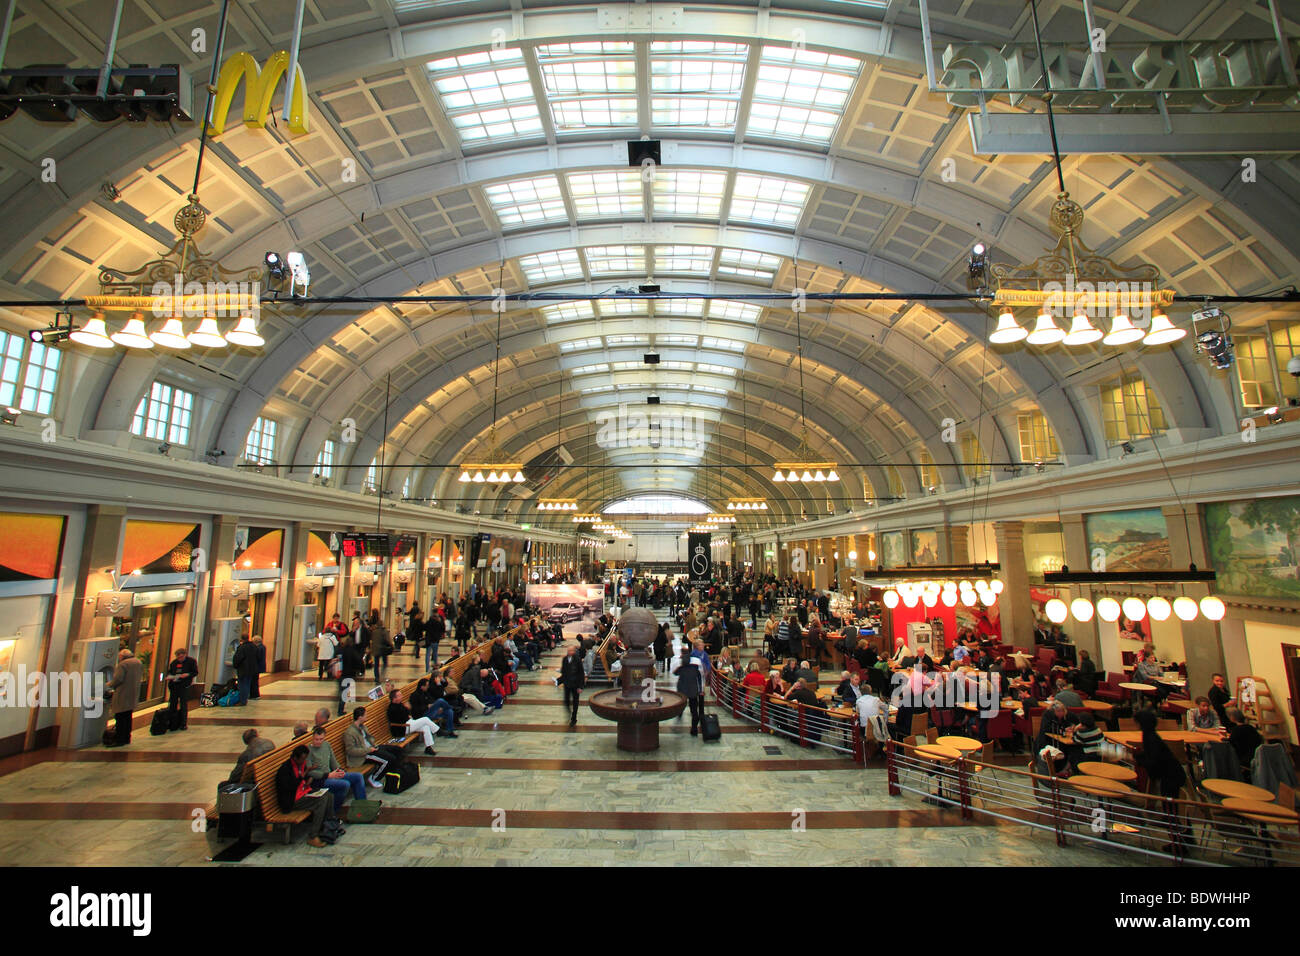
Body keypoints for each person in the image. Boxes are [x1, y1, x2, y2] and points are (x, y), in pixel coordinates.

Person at [1133, 708, 1189, 852]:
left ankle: (1179, 844)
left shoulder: (1150, 737)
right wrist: (1138, 758)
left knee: (1171, 810)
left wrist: (1137, 759)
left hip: (1170, 776)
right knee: (1172, 810)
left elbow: (1154, 761)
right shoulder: (1151, 735)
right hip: (1171, 774)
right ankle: (1183, 840)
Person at [275, 744, 338, 848]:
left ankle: (329, 826)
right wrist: (305, 775)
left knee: (329, 795)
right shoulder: (285, 770)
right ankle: (313, 835)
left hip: (304, 793)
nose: (304, 761)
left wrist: (308, 779)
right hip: (292, 800)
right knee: (321, 801)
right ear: (295, 758)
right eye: (303, 759)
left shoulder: (300, 764)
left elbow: (305, 778)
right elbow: (290, 786)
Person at [305, 726, 367, 814]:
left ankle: (362, 807)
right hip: (319, 780)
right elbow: (310, 772)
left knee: (358, 776)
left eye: (321, 739)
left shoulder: (326, 745)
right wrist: (328, 775)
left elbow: (333, 761)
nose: (318, 742)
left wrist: (340, 770)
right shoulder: (308, 751)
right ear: (312, 738)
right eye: (316, 739)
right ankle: (334, 811)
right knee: (344, 784)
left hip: (332, 774)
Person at [342, 707, 404, 787]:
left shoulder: (362, 727)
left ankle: (394, 774)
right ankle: (374, 778)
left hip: (372, 748)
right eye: (365, 715)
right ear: (360, 717)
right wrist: (368, 750)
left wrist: (373, 744)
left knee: (398, 750)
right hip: (363, 755)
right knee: (388, 760)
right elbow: (351, 751)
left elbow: (369, 737)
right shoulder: (349, 733)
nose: (367, 716)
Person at [105, 647, 143, 746]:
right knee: (127, 717)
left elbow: (118, 679)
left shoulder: (123, 664)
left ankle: (120, 739)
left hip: (123, 693)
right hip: (133, 693)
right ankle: (126, 737)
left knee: (120, 717)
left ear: (122, 656)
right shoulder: (138, 662)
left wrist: (107, 685)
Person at [387, 688, 437, 755]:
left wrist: (407, 712)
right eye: (399, 695)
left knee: (426, 727)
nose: (402, 696)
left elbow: (407, 713)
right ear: (394, 698)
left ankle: (428, 748)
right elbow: (402, 718)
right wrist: (407, 712)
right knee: (425, 719)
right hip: (402, 728)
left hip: (408, 724)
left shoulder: (400, 704)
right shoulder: (392, 708)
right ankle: (437, 730)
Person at [164, 647, 198, 729]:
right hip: (174, 686)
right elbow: (170, 672)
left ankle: (183, 723)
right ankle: (172, 723)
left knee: (183, 704)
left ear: (185, 655)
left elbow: (195, 672)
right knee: (173, 704)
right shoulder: (174, 663)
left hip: (184, 685)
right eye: (178, 657)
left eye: (181, 657)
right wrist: (169, 677)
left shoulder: (191, 661)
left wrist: (187, 675)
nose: (180, 659)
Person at [674, 645, 704, 736]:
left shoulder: (679, 662)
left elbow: (674, 673)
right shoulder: (697, 662)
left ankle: (679, 713)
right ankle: (694, 729)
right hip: (693, 689)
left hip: (682, 688)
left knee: (681, 704)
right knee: (694, 710)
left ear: (682, 654)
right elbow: (700, 676)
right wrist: (701, 689)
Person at [1225, 707, 1263, 773]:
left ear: (1232, 718)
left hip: (1245, 759)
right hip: (1257, 757)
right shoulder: (1251, 728)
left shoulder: (1236, 730)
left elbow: (1230, 745)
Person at [557, 643, 586, 727]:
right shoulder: (565, 659)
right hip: (567, 684)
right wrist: (559, 681)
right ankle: (569, 712)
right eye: (569, 650)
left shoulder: (577, 660)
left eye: (571, 650)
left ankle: (574, 718)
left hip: (576, 684)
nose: (570, 652)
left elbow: (581, 673)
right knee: (566, 701)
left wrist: (581, 686)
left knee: (575, 702)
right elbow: (564, 671)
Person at [230, 634, 257, 706]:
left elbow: (238, 658)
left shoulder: (242, 648)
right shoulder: (254, 646)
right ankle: (245, 699)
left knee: (242, 685)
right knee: (247, 684)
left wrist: (235, 665)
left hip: (243, 669)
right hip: (251, 669)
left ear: (241, 639)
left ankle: (242, 700)